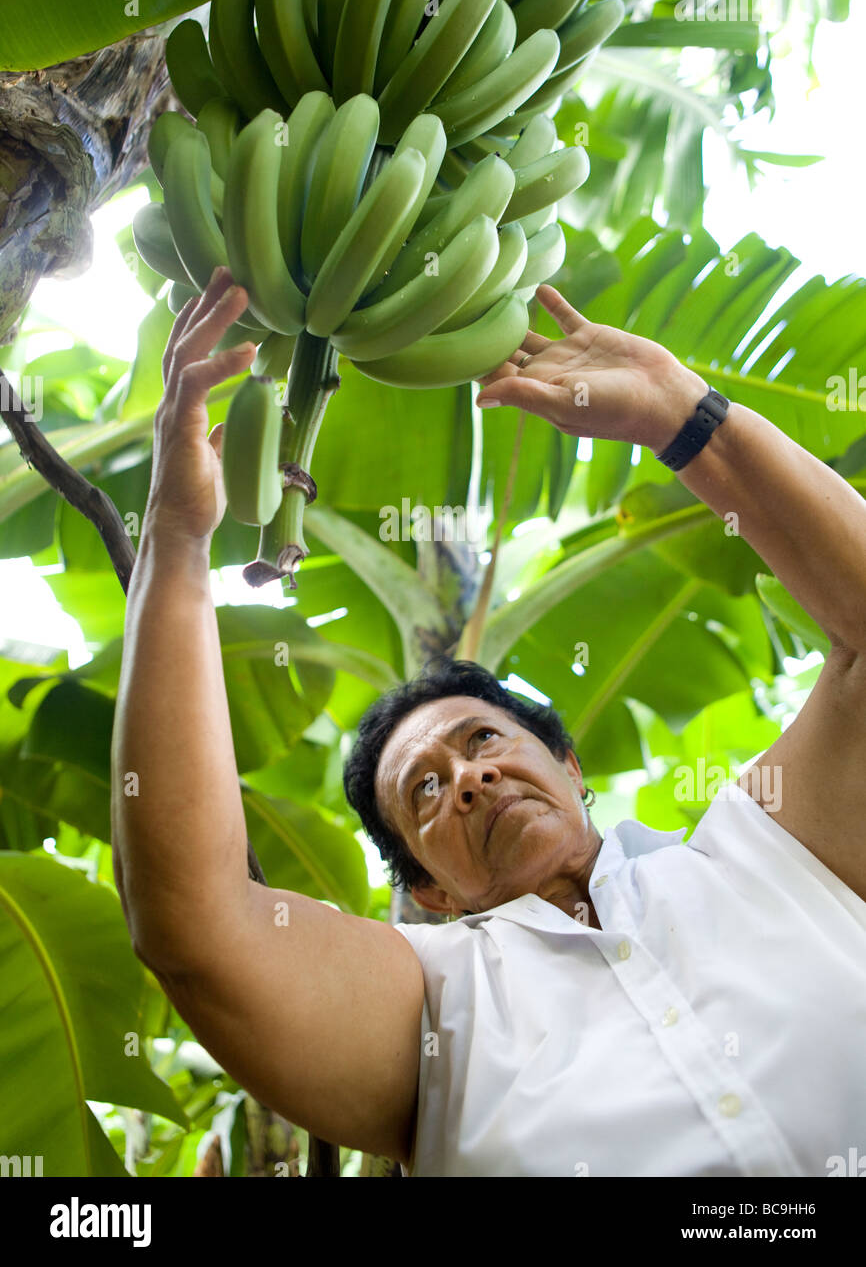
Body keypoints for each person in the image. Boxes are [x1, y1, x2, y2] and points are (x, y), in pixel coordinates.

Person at [111, 266, 866, 1177]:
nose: (468, 778)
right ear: (429, 891)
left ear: (570, 764)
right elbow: (195, 925)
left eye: (484, 740)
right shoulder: (431, 1008)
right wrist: (179, 539)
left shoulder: (764, 854)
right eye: (424, 790)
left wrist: (679, 410)